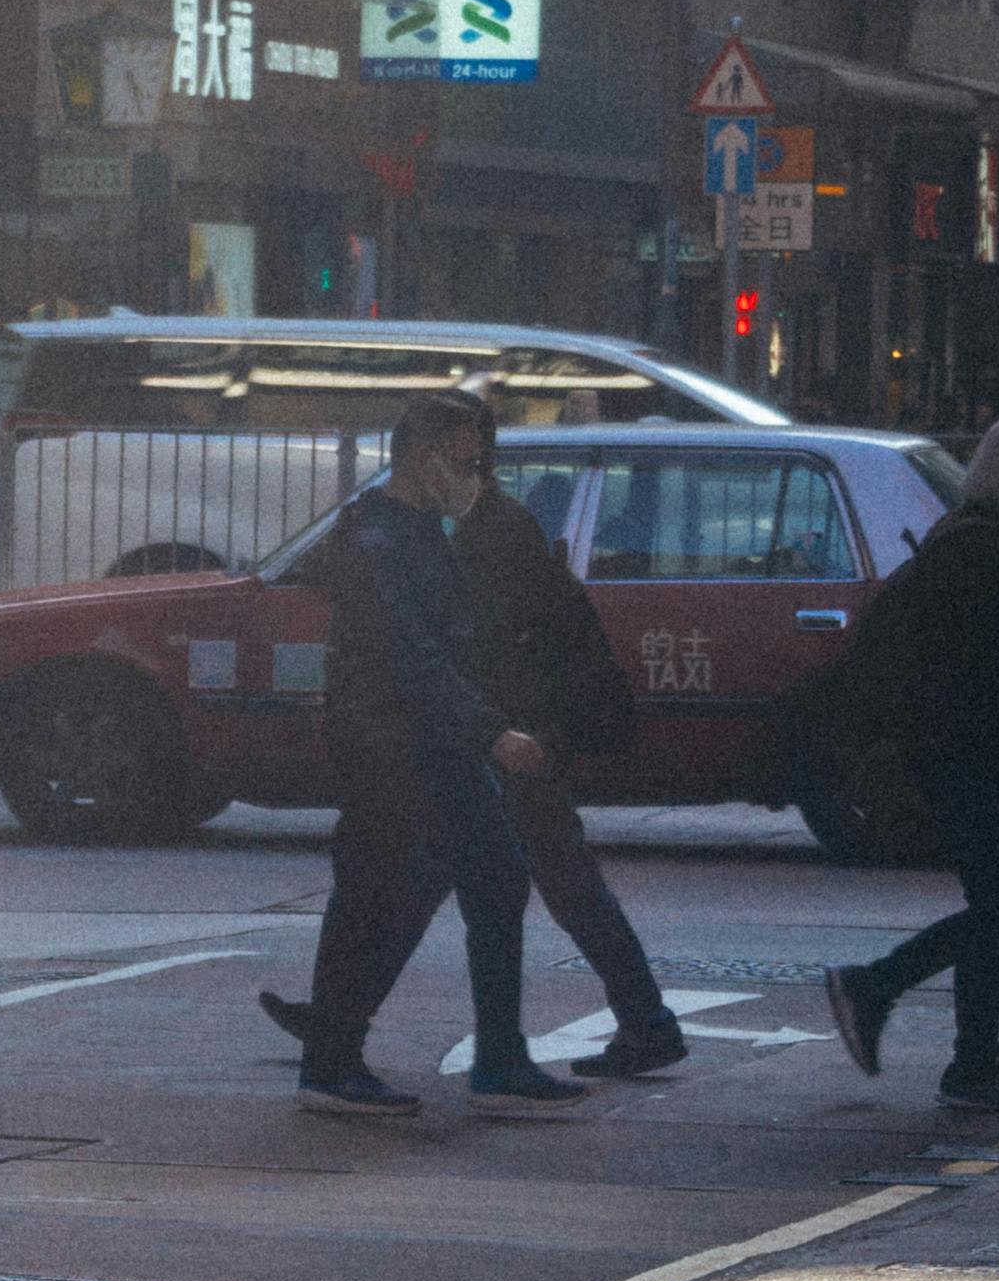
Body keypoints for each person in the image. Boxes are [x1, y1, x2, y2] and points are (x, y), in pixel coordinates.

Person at [264, 393, 586, 1118]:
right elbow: (409, 654)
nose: (474, 474)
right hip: (390, 745)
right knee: (382, 897)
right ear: (422, 455)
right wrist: (490, 732)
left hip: (432, 742)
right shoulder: (378, 539)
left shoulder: (420, 531)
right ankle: (332, 1057)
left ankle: (494, 1054)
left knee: (492, 880)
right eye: (465, 459)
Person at [822, 408, 999, 1113]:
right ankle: (874, 986)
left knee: (995, 904)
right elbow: (986, 678)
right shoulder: (979, 551)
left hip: (958, 757)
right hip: (955, 758)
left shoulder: (985, 542)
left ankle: (973, 1062)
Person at [452, 413, 685, 1078]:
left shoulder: (490, 532)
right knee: (551, 881)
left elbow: (504, 646)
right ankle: (644, 1020)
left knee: (553, 883)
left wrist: (504, 731)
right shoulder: (493, 524)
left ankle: (642, 1020)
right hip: (514, 732)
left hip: (517, 738)